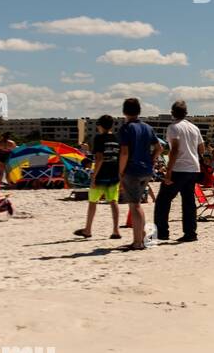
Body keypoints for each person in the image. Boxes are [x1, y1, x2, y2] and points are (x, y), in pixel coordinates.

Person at [154, 99, 204, 243]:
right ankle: (190, 233)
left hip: (179, 168)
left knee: (163, 200)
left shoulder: (173, 127)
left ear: (172, 113)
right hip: (193, 168)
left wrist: (168, 171)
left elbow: (174, 150)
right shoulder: (194, 128)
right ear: (186, 113)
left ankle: (162, 232)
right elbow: (202, 149)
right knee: (188, 201)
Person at [117, 97, 161, 250]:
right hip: (146, 170)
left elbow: (124, 152)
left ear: (124, 111)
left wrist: (120, 171)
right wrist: (151, 160)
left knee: (134, 205)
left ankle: (138, 242)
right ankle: (141, 236)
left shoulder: (126, 128)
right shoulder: (148, 128)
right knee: (137, 204)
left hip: (132, 170)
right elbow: (159, 148)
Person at [74, 116, 121, 239]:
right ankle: (116, 230)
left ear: (100, 126)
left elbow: (99, 158)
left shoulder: (99, 138)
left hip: (102, 174)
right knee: (113, 202)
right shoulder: (117, 139)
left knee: (93, 202)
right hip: (114, 174)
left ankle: (88, 230)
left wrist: (94, 177)